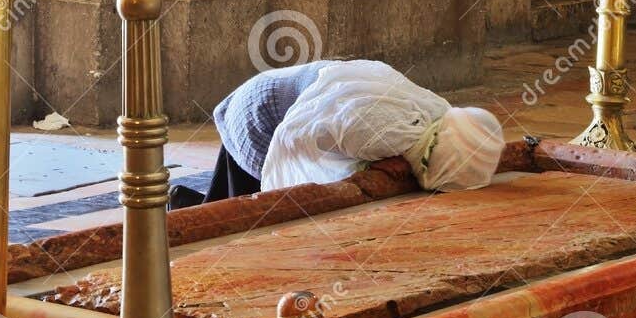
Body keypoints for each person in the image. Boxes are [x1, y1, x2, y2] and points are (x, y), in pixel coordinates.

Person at [175, 59, 505, 207]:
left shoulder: (436, 115)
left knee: (234, 195)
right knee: (255, 213)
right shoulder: (378, 133)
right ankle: (187, 210)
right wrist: (361, 172)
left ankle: (187, 203)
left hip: (292, 90)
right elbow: (293, 141)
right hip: (263, 114)